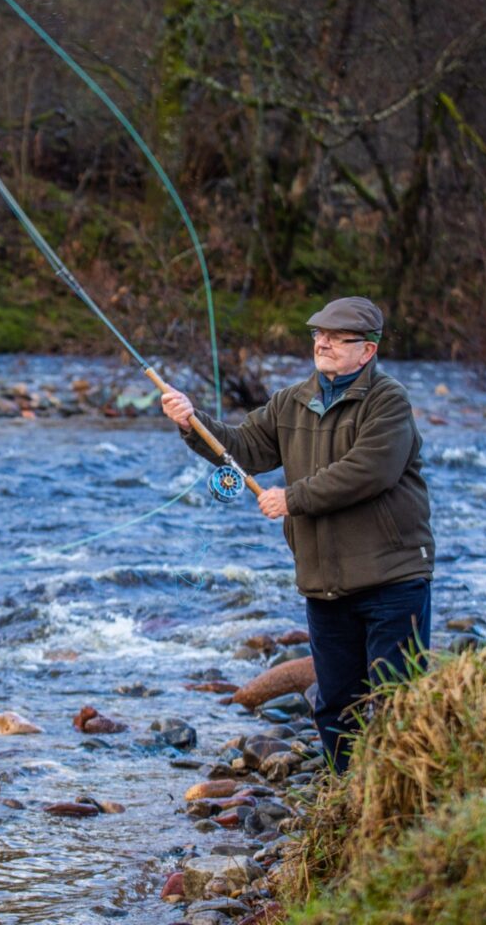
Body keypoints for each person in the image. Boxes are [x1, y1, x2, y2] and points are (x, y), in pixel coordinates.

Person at [160, 296, 433, 773]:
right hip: (324, 582)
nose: (322, 343)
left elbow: (370, 471)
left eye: (335, 337)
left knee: (398, 700)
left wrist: (292, 497)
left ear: (366, 351)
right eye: (317, 335)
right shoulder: (291, 401)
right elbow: (243, 446)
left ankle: (404, 796)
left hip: (391, 578)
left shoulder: (389, 401)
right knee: (334, 706)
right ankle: (344, 796)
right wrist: (192, 421)